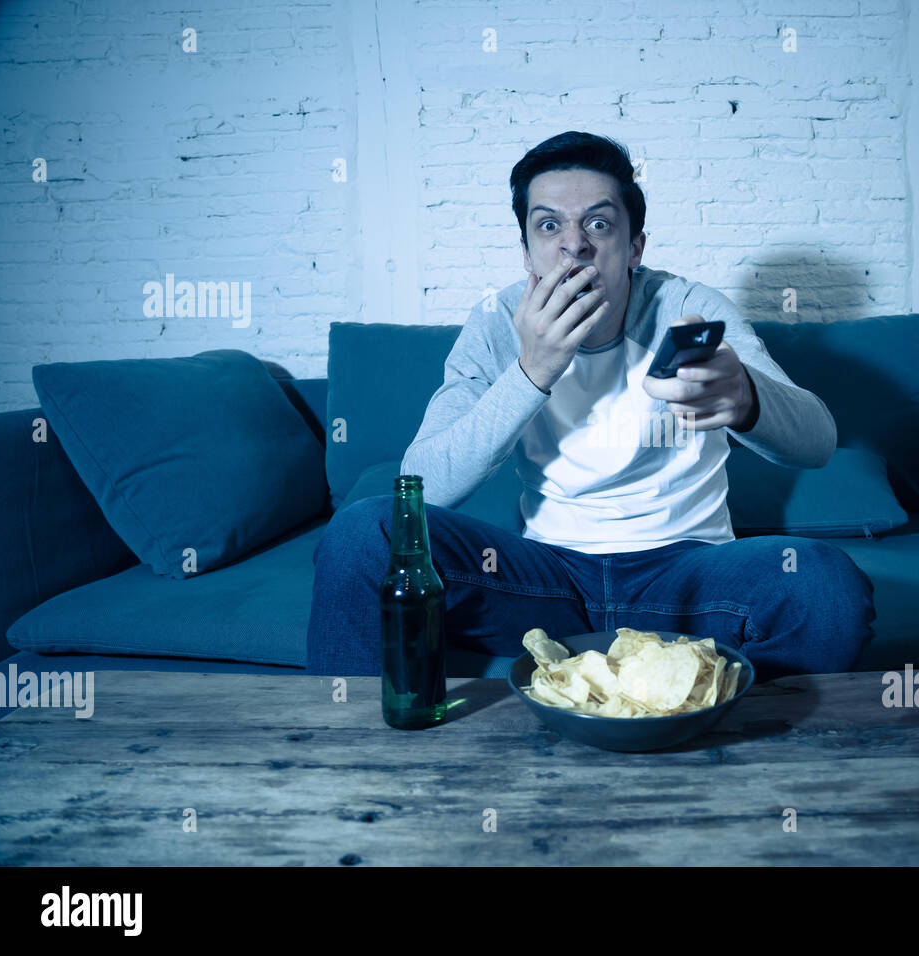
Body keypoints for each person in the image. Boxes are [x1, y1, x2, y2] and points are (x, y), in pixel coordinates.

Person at [308, 131, 876, 681]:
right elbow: (421, 483)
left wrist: (745, 397)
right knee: (365, 533)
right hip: (545, 582)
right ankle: (352, 762)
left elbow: (817, 442)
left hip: (684, 575)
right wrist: (531, 373)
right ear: (527, 250)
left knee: (823, 585)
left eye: (598, 224)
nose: (574, 244)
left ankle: (724, 738)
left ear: (634, 248)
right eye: (548, 225)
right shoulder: (497, 322)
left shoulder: (687, 308)